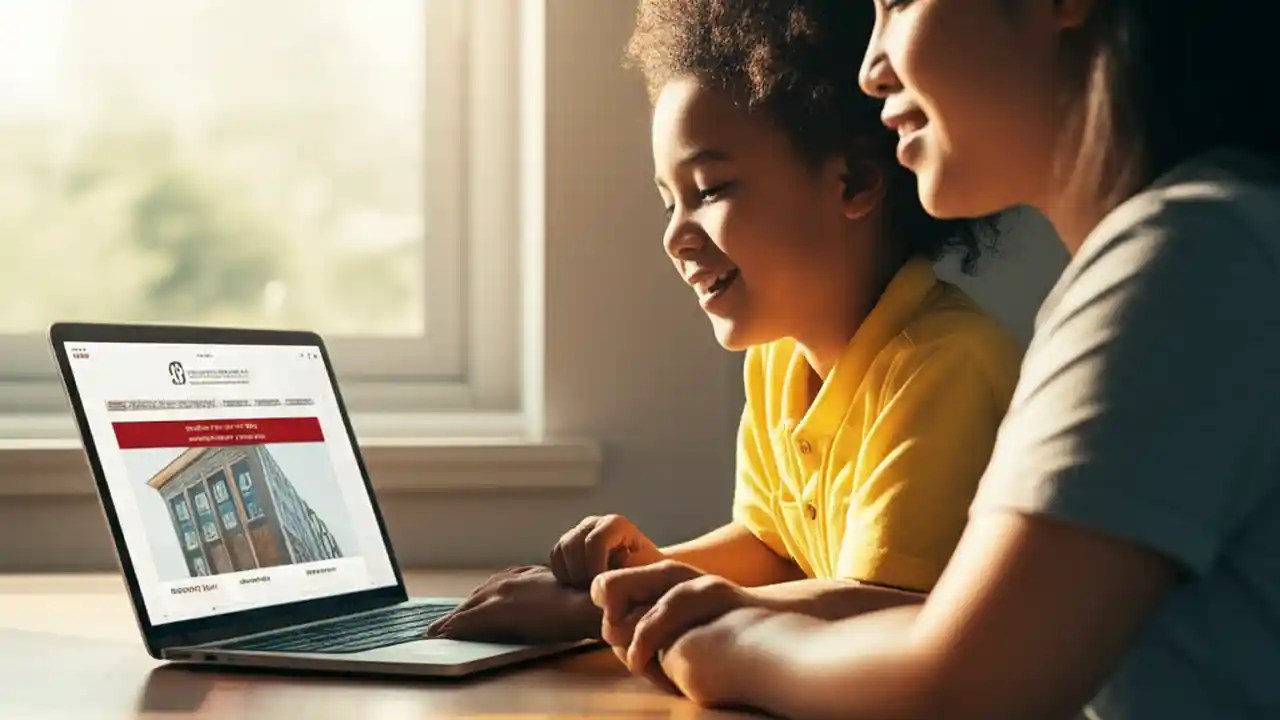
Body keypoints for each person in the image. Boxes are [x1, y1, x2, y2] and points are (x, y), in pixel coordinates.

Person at [592, 1, 1280, 717]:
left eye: (899, 3)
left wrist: (734, 644)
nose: (870, 69)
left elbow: (967, 682)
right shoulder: (1185, 251)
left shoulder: (1194, 260)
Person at [425, 0, 1019, 646]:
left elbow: (888, 611)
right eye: (669, 202)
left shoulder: (943, 366)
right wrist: (642, 572)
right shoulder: (778, 361)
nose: (675, 237)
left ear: (853, 181)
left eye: (708, 190)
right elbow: (776, 552)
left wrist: (599, 609)